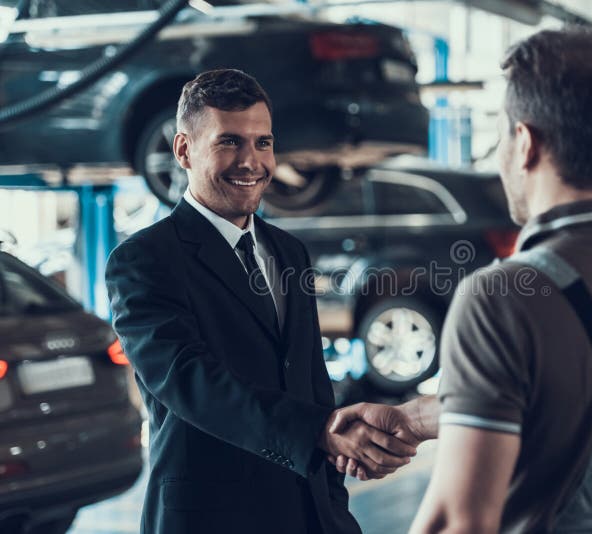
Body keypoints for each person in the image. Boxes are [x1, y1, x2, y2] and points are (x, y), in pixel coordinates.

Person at [331, 29, 592, 533]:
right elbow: (570, 409)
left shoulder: (500, 296)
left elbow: (457, 521)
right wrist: (414, 420)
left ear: (525, 142)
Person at [105, 69, 417, 534]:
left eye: (263, 143)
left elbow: (312, 385)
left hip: (306, 515)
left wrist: (334, 498)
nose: (251, 162)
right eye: (229, 142)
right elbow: (191, 381)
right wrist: (318, 432)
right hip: (210, 519)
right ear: (184, 150)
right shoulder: (144, 260)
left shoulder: (289, 251)